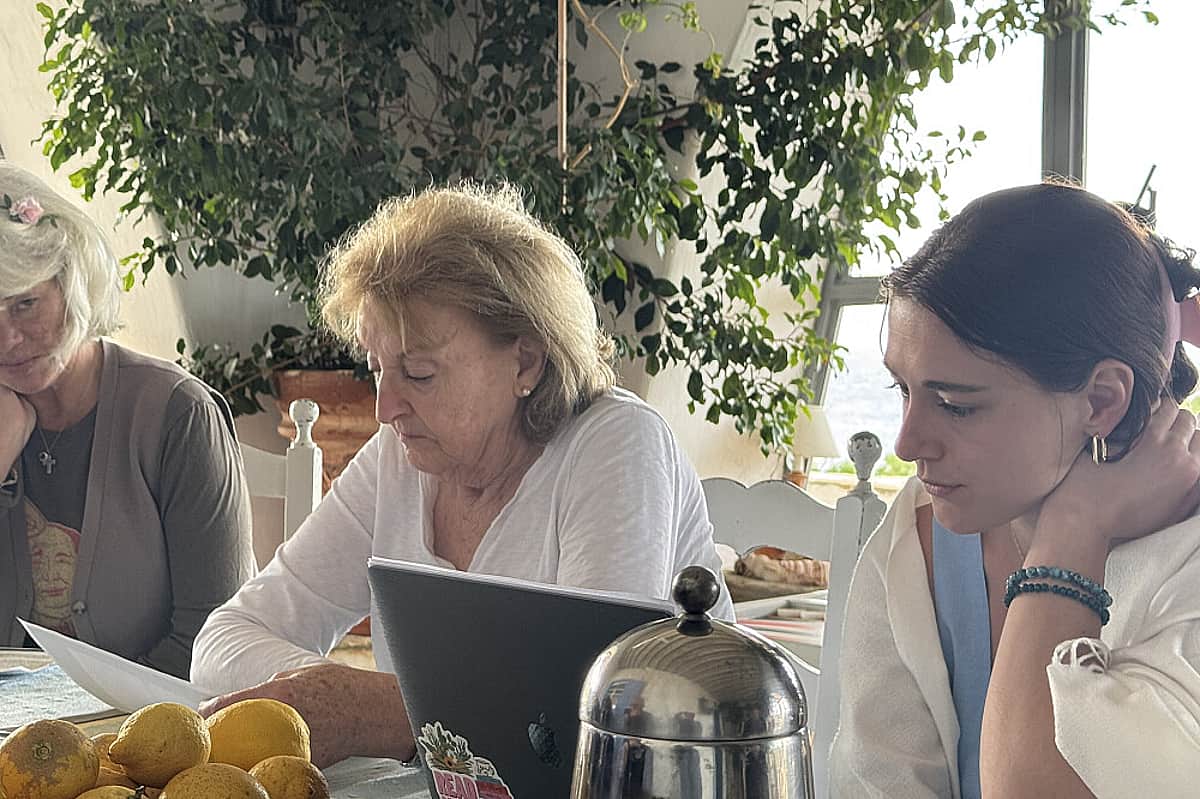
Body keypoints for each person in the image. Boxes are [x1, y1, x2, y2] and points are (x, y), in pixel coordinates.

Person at [191, 183, 732, 767]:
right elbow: (223, 640)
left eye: (419, 373)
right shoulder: (400, 456)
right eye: (377, 369)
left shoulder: (618, 445)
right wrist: (318, 691)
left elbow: (586, 719)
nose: (385, 407)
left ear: (525, 360)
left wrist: (387, 714)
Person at [830, 182, 1200, 798]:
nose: (907, 443)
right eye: (903, 389)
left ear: (1102, 400)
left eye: (956, 405)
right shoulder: (918, 536)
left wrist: (1074, 528)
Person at [0, 161, 255, 679]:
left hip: (146, 741)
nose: (6, 339)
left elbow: (210, 641)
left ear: (72, 284)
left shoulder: (179, 416)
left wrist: (77, 725)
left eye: (25, 305)